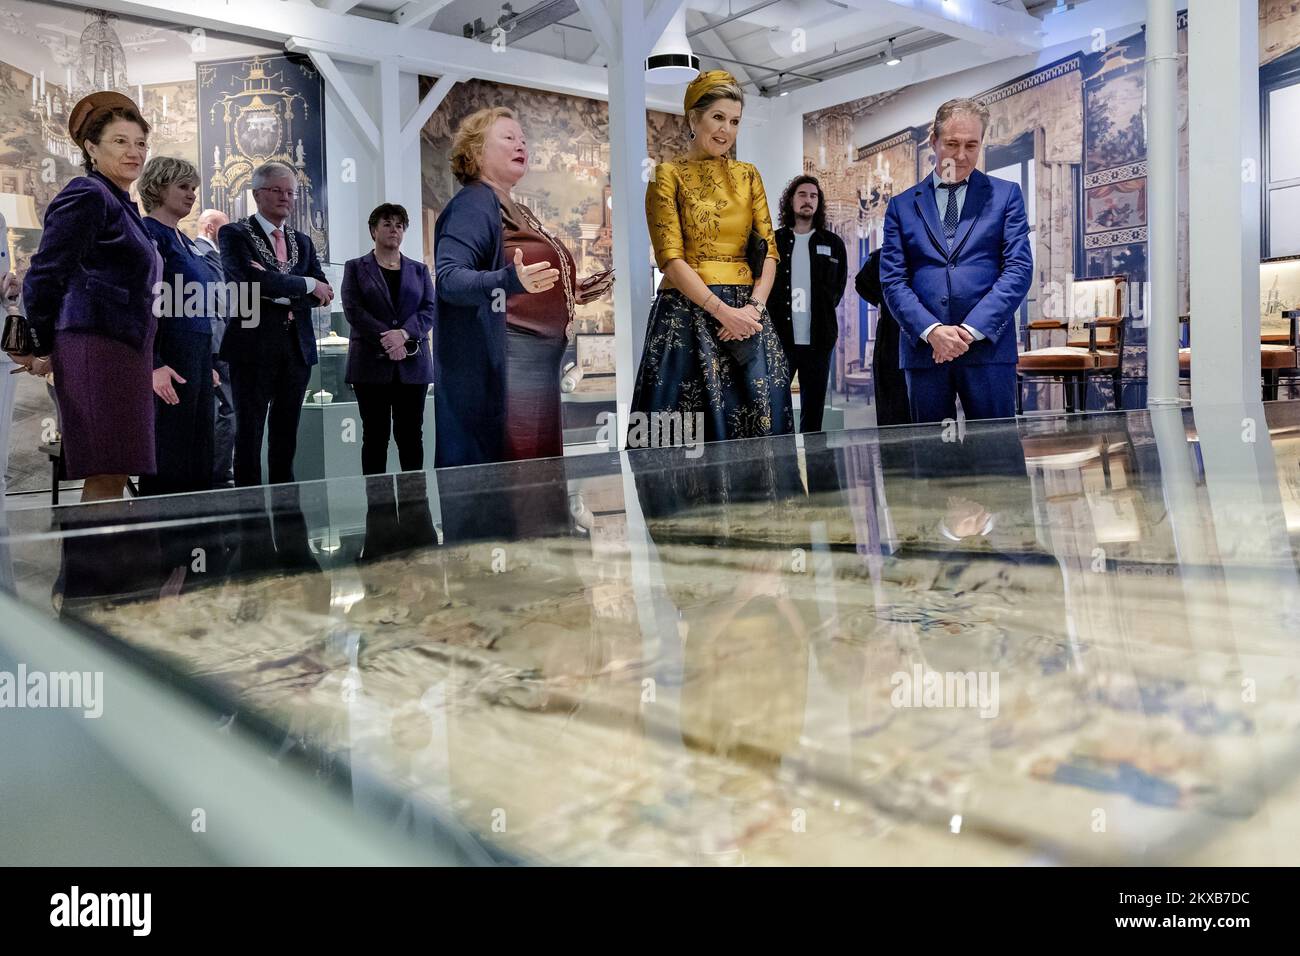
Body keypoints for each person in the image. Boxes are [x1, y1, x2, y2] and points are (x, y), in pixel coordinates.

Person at [433, 106, 611, 467]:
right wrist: (509, 280)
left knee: (534, 479)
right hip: (508, 373)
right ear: (477, 150)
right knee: (517, 484)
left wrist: (568, 291)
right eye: (509, 137)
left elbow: (518, 274)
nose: (521, 145)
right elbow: (449, 278)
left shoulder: (510, 206)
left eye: (524, 139)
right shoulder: (474, 202)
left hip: (532, 372)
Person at [631, 70, 790, 445]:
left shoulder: (749, 175)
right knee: (679, 432)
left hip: (748, 315)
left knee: (759, 427)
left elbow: (768, 251)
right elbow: (669, 259)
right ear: (693, 118)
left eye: (734, 121)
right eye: (717, 117)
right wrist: (724, 313)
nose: (726, 130)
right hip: (688, 314)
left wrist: (753, 309)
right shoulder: (664, 175)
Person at [17, 91, 160, 502]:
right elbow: (46, 273)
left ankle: (110, 563)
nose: (134, 152)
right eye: (120, 141)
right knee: (104, 468)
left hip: (125, 347)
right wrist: (39, 343)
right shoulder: (88, 193)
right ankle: (93, 566)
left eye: (140, 143)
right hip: (97, 347)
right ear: (91, 148)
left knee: (115, 468)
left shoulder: (121, 202)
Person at [879, 97, 1033, 424]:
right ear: (933, 141)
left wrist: (968, 331)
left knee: (998, 459)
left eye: (971, 145)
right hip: (925, 352)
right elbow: (892, 281)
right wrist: (932, 330)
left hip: (988, 350)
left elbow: (1019, 270)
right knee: (933, 462)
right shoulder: (901, 206)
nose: (961, 156)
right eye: (951, 144)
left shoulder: (1006, 196)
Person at [218, 160, 331, 486]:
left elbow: (324, 292)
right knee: (250, 436)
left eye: (290, 192)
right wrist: (304, 285)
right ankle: (250, 518)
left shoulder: (303, 241)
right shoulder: (235, 233)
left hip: (296, 349)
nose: (285, 197)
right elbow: (248, 279)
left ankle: (287, 515)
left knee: (286, 437)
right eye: (277, 190)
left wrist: (277, 286)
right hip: (252, 348)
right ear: (257, 193)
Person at [137, 157, 221, 496]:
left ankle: (195, 534)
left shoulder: (182, 239)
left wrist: (209, 362)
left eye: (194, 188)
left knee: (200, 447)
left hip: (197, 353)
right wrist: (154, 364)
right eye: (183, 187)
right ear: (159, 187)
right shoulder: (148, 233)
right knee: (171, 449)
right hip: (169, 351)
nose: (191, 195)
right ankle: (164, 539)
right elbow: (142, 303)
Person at [341, 203, 436, 474]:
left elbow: (429, 309)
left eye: (399, 225)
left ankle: (415, 506)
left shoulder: (419, 270)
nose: (394, 229)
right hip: (370, 366)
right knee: (374, 437)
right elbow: (353, 310)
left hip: (412, 364)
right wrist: (387, 339)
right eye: (387, 224)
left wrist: (404, 334)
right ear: (373, 230)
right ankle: (378, 508)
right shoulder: (356, 268)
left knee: (411, 438)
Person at [768, 175, 847, 433]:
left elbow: (838, 287)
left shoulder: (833, 243)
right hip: (780, 341)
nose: (808, 200)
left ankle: (816, 467)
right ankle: (780, 466)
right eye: (802, 194)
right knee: (776, 408)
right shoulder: (774, 242)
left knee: (813, 415)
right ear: (791, 200)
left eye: (814, 196)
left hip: (819, 341)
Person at [194, 207, 234, 487]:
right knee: (228, 412)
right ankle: (218, 474)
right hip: (215, 345)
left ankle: (217, 472)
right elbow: (216, 302)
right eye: (223, 227)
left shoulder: (204, 254)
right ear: (209, 227)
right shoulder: (204, 254)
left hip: (215, 344)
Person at [854, 250, 912, 426]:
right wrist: (880, 301)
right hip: (891, 334)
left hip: (923, 336)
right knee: (892, 403)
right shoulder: (881, 256)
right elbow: (860, 283)